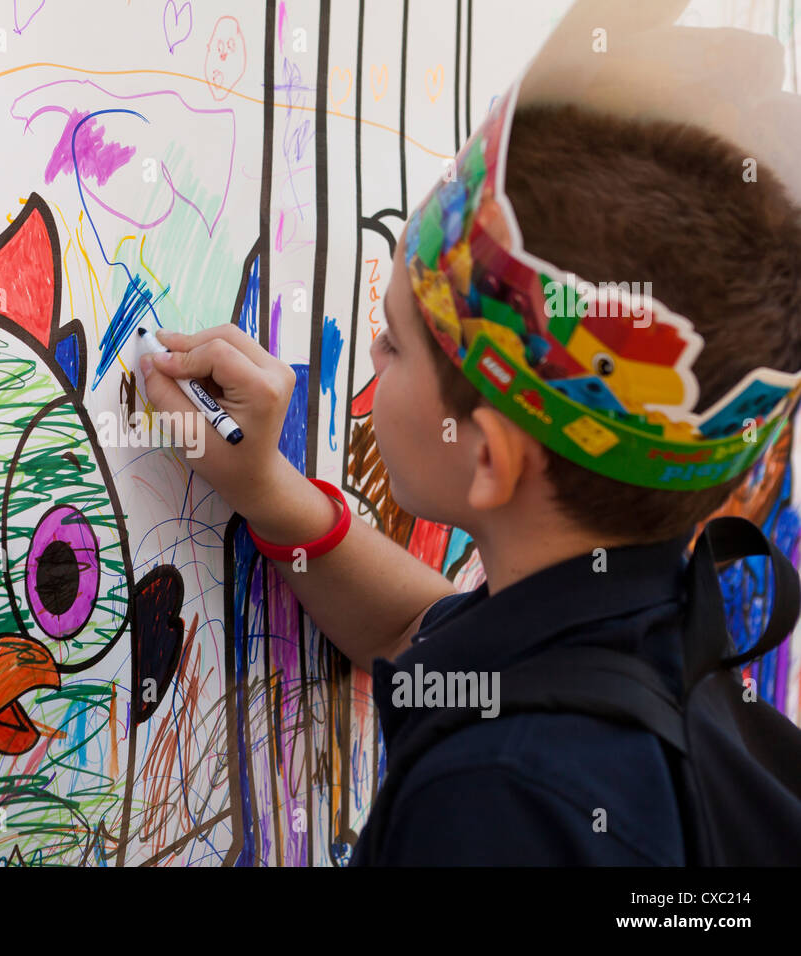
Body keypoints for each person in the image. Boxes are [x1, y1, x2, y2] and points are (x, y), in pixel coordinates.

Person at [137, 0, 801, 864]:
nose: (372, 350)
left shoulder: (496, 803)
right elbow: (420, 635)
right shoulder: (654, 631)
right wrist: (268, 493)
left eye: (395, 340)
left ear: (488, 456)